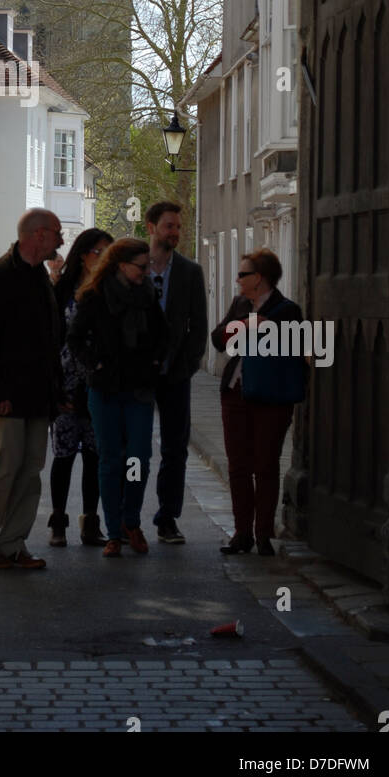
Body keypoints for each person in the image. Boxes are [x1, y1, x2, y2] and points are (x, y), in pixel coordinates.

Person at [0, 210, 67, 570]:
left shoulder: (40, 276)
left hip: (39, 393)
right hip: (8, 393)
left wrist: (58, 389)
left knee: (30, 469)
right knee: (6, 466)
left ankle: (12, 543)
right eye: (57, 233)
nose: (61, 240)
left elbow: (51, 338)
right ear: (38, 235)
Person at [67, 237, 169, 557]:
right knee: (110, 461)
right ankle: (113, 531)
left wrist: (154, 363)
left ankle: (131, 521)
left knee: (138, 457)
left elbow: (163, 335)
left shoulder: (148, 295)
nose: (146, 271)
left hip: (139, 389)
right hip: (105, 389)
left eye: (148, 265)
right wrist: (94, 364)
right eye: (141, 266)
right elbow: (74, 337)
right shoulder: (95, 297)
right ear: (121, 265)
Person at [211, 248, 304, 556]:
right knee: (238, 466)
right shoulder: (240, 304)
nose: (237, 280)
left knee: (265, 466)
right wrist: (244, 325)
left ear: (259, 278)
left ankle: (263, 534)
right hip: (235, 393)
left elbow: (288, 352)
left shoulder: (287, 310)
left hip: (269, 397)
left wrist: (267, 329)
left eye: (242, 274)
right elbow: (217, 338)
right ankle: (241, 534)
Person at [145, 201, 208, 546]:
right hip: (136, 377)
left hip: (174, 375)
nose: (175, 232)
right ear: (151, 226)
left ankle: (167, 517)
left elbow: (198, 325)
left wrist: (187, 364)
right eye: (169, 226)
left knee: (174, 449)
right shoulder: (132, 265)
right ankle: (125, 519)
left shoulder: (189, 272)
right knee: (133, 450)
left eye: (178, 227)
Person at [46, 228, 113, 547]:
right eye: (99, 252)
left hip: (98, 383)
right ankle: (58, 521)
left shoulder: (110, 291)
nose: (103, 258)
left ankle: (91, 521)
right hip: (66, 383)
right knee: (63, 454)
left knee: (94, 455)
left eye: (108, 253)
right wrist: (55, 387)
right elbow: (50, 339)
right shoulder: (62, 290)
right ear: (84, 254)